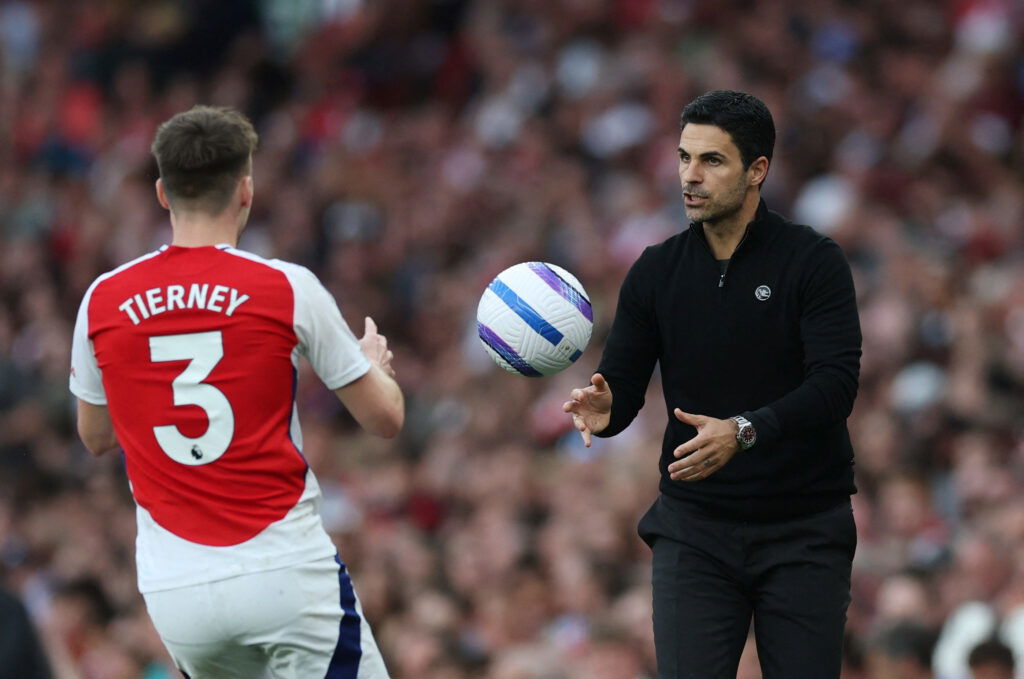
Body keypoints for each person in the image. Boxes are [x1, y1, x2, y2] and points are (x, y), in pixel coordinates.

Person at [69, 106, 403, 678]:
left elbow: (95, 437)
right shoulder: (284, 286)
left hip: (178, 592)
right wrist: (378, 368)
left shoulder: (103, 298)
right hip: (284, 573)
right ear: (245, 190)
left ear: (161, 193)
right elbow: (384, 420)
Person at [563, 90, 861, 678]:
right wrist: (605, 407)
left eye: (711, 161)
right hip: (695, 530)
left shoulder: (813, 262)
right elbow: (621, 385)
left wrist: (744, 431)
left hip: (803, 529)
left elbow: (835, 385)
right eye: (683, 158)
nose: (690, 177)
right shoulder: (656, 271)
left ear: (758, 171)